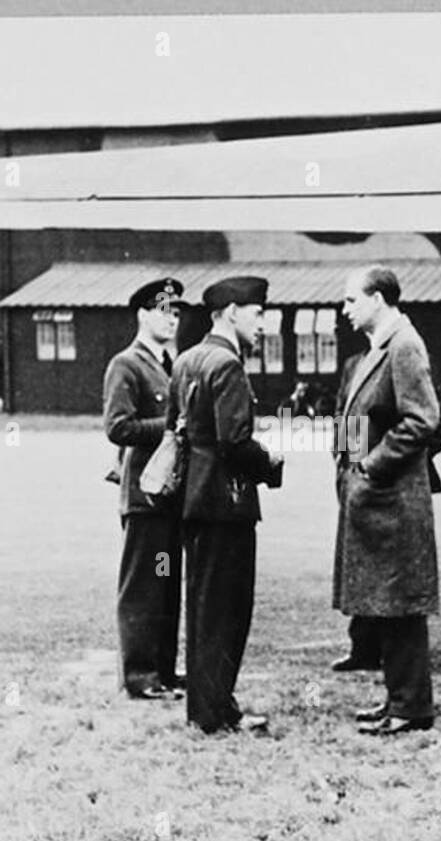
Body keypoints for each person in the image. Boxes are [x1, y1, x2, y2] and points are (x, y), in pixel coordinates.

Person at [166, 275, 284, 734]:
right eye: (258, 313)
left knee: (202, 608)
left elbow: (178, 430)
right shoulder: (228, 365)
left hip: (193, 502)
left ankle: (206, 709)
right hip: (227, 504)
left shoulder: (186, 360)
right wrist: (270, 463)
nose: (262, 323)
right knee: (228, 611)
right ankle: (215, 712)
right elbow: (234, 443)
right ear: (232, 312)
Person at [332, 266, 441, 735]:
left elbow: (422, 420)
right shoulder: (379, 347)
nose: (345, 309)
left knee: (401, 605)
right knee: (386, 603)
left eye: (352, 300)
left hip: (393, 500)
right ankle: (398, 699)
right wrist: (346, 470)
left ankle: (411, 707)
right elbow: (356, 418)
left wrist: (370, 467)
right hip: (373, 500)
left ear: (378, 299)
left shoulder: (404, 346)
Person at [103, 277, 187, 700]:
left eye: (176, 313)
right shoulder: (127, 365)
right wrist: (172, 426)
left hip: (168, 498)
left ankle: (163, 670)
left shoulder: (170, 365)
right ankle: (140, 675)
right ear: (142, 315)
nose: (172, 320)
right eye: (163, 311)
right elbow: (118, 427)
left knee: (166, 583)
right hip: (144, 497)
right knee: (144, 588)